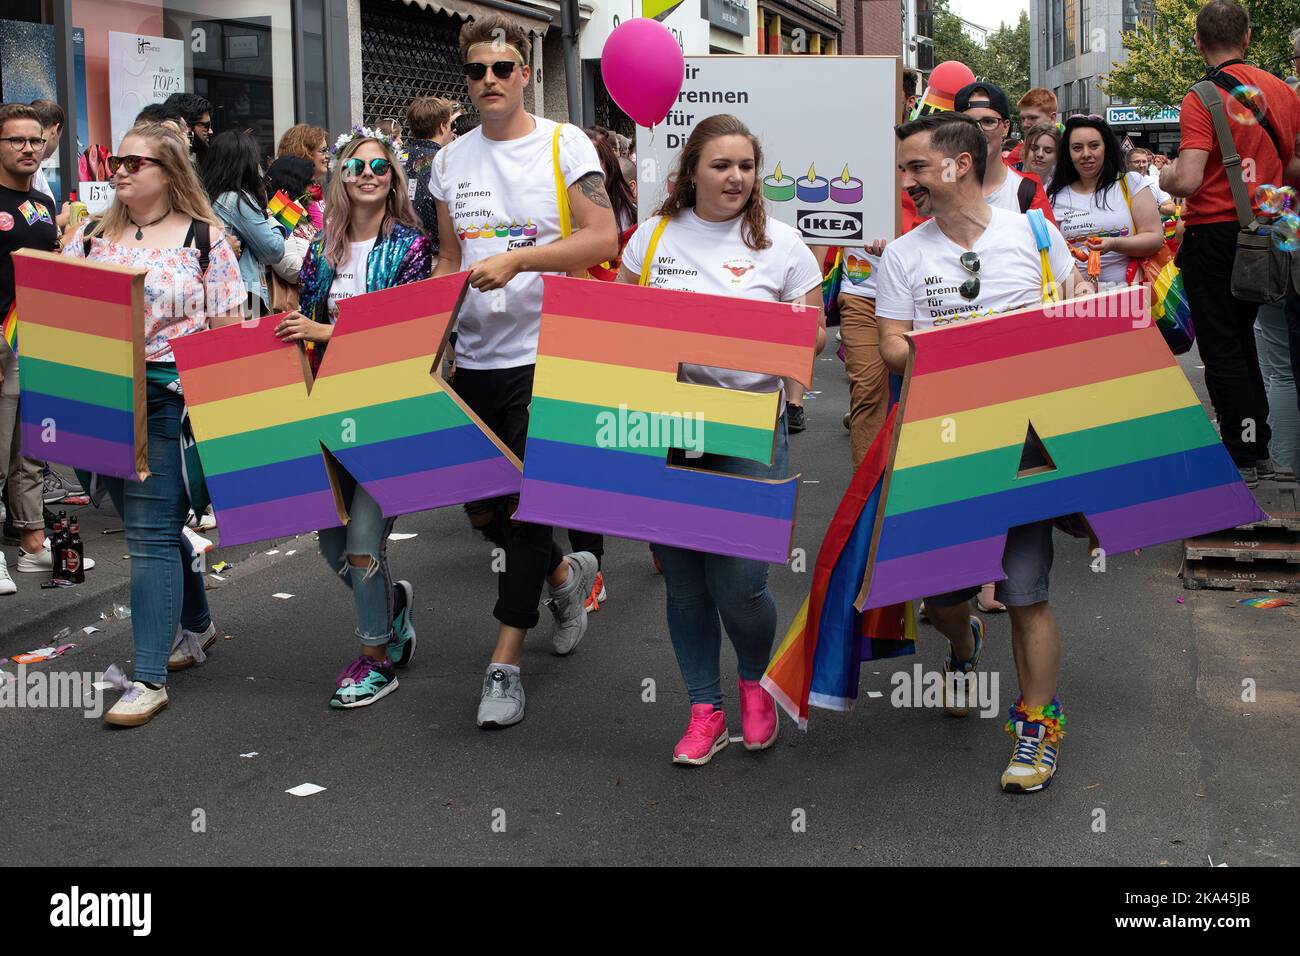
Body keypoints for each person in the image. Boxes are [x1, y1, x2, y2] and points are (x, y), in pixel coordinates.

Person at [875, 112, 1089, 794]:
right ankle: (962, 640)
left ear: (958, 164)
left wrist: (1086, 300)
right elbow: (891, 345)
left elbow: (1077, 305)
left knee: (1026, 591)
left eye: (914, 167)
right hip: (949, 444)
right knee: (938, 593)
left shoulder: (1032, 232)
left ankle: (1036, 727)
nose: (906, 180)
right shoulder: (905, 254)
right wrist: (974, 350)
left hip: (1029, 441)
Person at [429, 13, 619, 728]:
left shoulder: (566, 144)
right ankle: (566, 579)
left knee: (532, 505)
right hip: (474, 355)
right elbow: (450, 259)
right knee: (489, 514)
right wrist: (434, 338)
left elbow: (602, 236)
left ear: (525, 72)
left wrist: (518, 259)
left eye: (502, 68)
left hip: (549, 350)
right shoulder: (448, 162)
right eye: (476, 71)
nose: (488, 81)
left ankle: (504, 664)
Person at [618, 114, 824, 765]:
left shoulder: (784, 245)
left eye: (745, 166)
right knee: (685, 583)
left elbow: (813, 336)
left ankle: (755, 682)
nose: (735, 177)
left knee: (740, 584)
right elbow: (616, 323)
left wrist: (732, 334)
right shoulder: (650, 239)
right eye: (721, 165)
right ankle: (704, 708)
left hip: (748, 425)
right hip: (666, 425)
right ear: (690, 174)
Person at [64, 120, 244, 725]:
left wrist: (225, 414)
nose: (118, 170)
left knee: (146, 534)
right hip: (97, 395)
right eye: (116, 161)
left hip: (167, 397)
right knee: (149, 521)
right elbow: (63, 312)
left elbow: (228, 332)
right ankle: (196, 621)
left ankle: (147, 678)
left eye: (133, 163)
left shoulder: (206, 239)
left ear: (168, 173)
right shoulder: (89, 237)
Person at [276, 129, 430, 708]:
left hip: (388, 412)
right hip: (329, 411)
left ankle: (374, 660)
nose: (368, 174)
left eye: (380, 167)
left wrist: (324, 331)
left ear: (394, 181)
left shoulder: (412, 247)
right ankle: (390, 610)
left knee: (364, 542)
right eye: (356, 166)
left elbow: (407, 337)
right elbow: (305, 321)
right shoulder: (323, 248)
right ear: (340, 177)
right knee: (332, 546)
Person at [1160, 0, 1300, 487]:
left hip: (1214, 235)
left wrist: (1165, 174)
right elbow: (1296, 169)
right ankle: (1257, 448)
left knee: (1222, 348)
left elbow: (1191, 177)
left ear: (1198, 42)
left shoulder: (1201, 96)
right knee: (1246, 344)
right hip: (1267, 234)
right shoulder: (1283, 91)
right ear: (1248, 37)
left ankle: (1240, 454)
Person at [0, 103, 65, 594]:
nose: (28, 148)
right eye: (17, 140)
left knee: (31, 452)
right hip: (2, 342)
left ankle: (32, 545)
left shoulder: (43, 206)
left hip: (39, 341)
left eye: (35, 140)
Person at [1048, 116, 1164, 290]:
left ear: (1106, 148)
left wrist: (1114, 244)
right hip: (1076, 301)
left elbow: (1154, 238)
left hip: (1129, 294)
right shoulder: (1055, 197)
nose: (1086, 154)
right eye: (1077, 148)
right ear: (1068, 153)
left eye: (1094, 146)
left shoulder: (1132, 183)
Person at [201, 130, 284, 317]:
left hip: (218, 295)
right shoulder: (236, 201)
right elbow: (273, 250)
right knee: (250, 342)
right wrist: (271, 220)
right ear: (245, 165)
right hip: (246, 296)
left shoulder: (206, 197)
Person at [956, 82, 1056, 223]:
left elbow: (1050, 244)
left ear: (1005, 127)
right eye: (968, 123)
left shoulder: (1027, 190)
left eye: (988, 122)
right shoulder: (939, 188)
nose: (978, 131)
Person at [403, 95, 460, 246]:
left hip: (401, 253)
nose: (451, 131)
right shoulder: (446, 164)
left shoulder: (396, 161)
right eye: (449, 125)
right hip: (438, 255)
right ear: (442, 126)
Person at [264, 155, 318, 286]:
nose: (315, 188)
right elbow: (289, 267)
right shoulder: (278, 213)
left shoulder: (301, 213)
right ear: (296, 184)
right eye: (310, 183)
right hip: (295, 302)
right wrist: (326, 269)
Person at [277, 124, 330, 230]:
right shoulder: (289, 194)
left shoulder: (315, 189)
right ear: (305, 154)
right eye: (322, 151)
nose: (327, 156)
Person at [1005, 88, 1059, 170]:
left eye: (1032, 118)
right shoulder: (1015, 157)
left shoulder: (1071, 153)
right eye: (1023, 119)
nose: (1025, 124)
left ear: (1052, 118)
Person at [163, 92, 213, 161]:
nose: (210, 132)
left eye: (210, 126)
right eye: (206, 126)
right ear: (183, 125)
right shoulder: (163, 166)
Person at [1022, 122, 1059, 187]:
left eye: (1048, 151)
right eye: (1034, 148)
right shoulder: (1010, 183)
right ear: (1025, 149)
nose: (1040, 154)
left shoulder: (1062, 192)